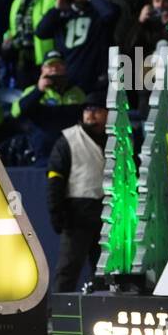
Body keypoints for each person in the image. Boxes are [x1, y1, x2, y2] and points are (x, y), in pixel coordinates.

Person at [48, 97, 109, 293]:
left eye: (97, 108)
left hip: (109, 212)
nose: (90, 113)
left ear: (108, 113)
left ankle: (103, 312)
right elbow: (54, 181)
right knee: (68, 268)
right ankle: (58, 314)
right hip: (77, 213)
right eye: (87, 109)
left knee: (106, 270)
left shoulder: (117, 137)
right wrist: (56, 212)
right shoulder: (68, 139)